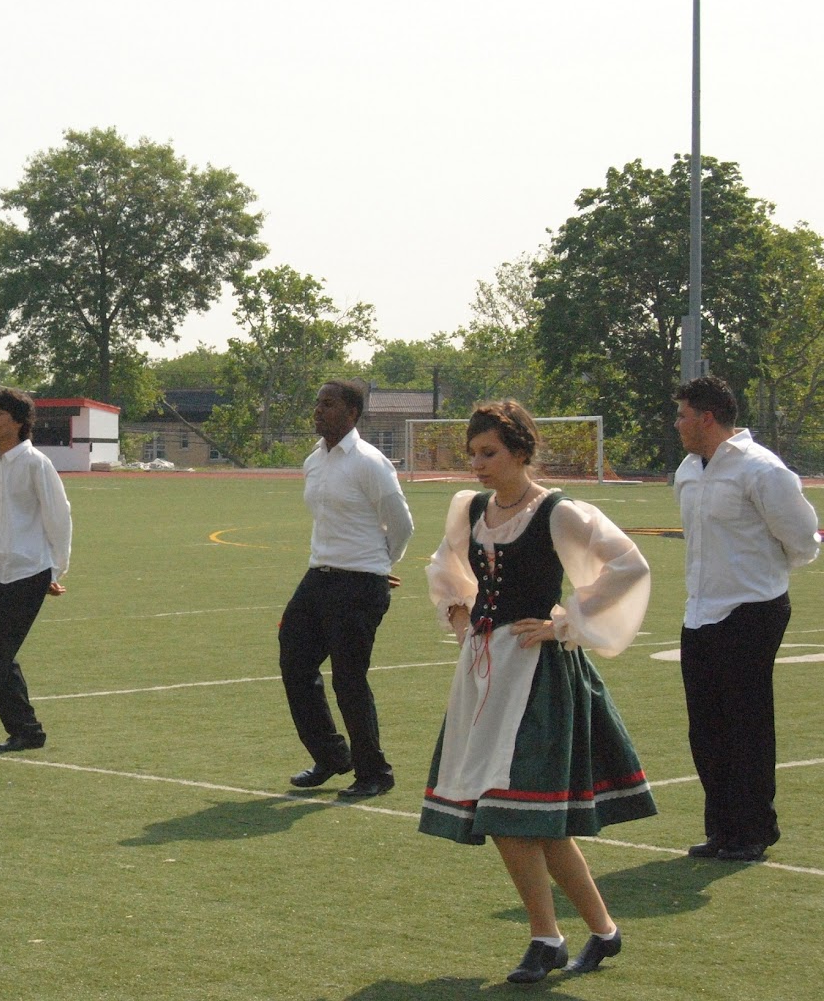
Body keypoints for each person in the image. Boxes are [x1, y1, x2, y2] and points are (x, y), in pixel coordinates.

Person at [420, 402, 656, 983]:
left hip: (538, 677)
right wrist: (458, 613)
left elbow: (628, 565)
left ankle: (547, 938)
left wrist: (563, 624)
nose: (477, 465)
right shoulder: (471, 509)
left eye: (489, 453)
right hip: (484, 672)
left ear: (521, 452)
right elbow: (447, 566)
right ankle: (601, 932)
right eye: (472, 454)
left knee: (514, 813)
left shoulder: (558, 512)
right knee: (528, 822)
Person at [672, 375, 819, 862]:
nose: (678, 424)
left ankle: (754, 830)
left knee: (746, 724)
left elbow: (802, 541)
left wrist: (759, 577)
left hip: (752, 611)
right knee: (706, 728)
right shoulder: (688, 471)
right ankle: (721, 829)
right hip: (699, 613)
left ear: (707, 418)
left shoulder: (762, 470)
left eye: (683, 415)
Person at [280, 380, 413, 799]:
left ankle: (375, 772)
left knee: (348, 678)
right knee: (294, 660)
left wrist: (378, 566)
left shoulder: (370, 462)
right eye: (317, 402)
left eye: (329, 404)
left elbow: (402, 524)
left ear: (352, 414)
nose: (318, 410)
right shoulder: (313, 461)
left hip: (358, 583)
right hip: (318, 575)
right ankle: (333, 756)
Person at [0, 388, 72, 758]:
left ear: (19, 421)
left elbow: (59, 515)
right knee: (1, 655)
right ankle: (26, 730)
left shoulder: (37, 463)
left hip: (31, 571)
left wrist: (56, 568)